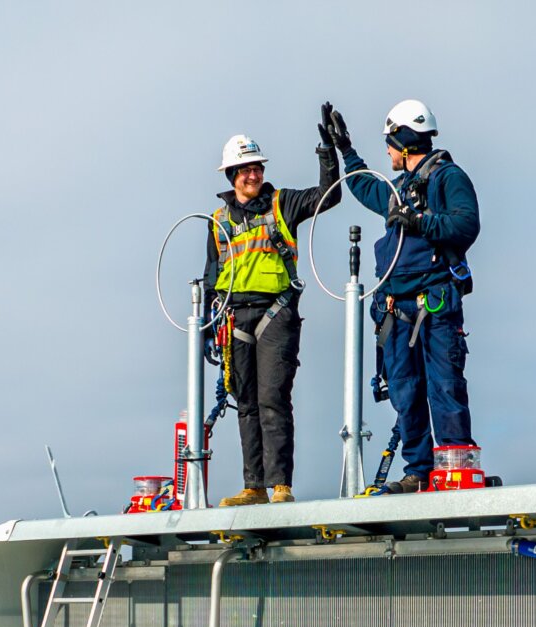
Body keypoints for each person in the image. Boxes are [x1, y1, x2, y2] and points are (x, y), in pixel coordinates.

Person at [327, 99, 480, 494]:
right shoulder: (398, 191)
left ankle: (454, 465)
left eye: (390, 144)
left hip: (434, 301)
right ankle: (419, 470)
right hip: (396, 308)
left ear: (404, 142)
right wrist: (347, 151)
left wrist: (418, 221)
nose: (388, 153)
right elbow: (366, 186)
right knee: (405, 391)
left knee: (444, 385)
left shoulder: (447, 178)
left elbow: (466, 224)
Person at [202, 111, 345, 506]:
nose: (253, 175)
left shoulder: (283, 203)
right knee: (245, 404)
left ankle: (280, 484)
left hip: (276, 313)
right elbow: (212, 276)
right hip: (234, 318)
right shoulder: (216, 222)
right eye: (245, 169)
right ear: (230, 174)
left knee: (272, 399)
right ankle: (255, 487)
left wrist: (326, 153)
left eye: (257, 167)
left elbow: (329, 195)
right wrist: (204, 330)